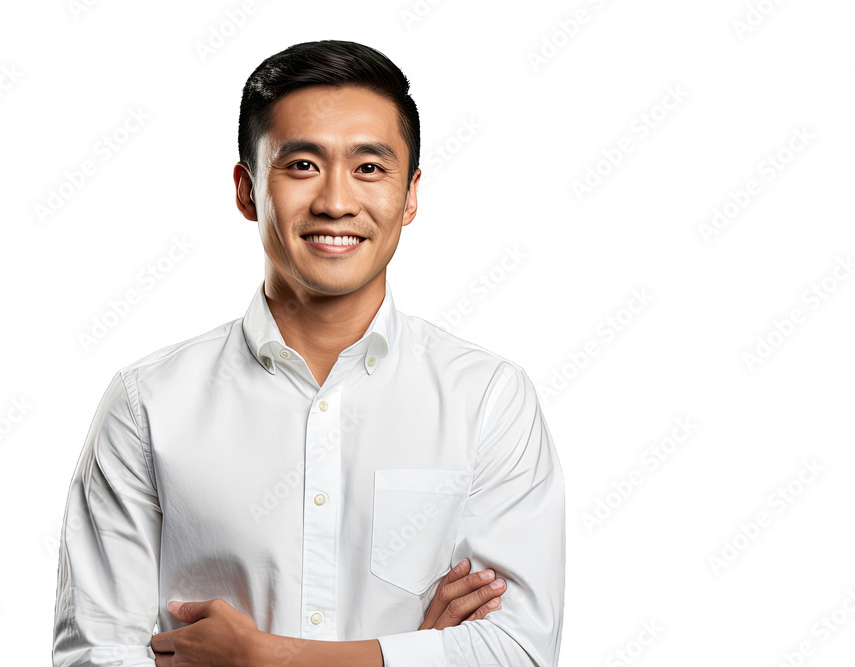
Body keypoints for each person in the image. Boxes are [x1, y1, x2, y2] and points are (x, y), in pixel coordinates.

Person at [52, 39, 565, 667]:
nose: (336, 201)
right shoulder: (147, 404)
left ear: (409, 195)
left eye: (370, 168)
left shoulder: (487, 398)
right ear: (246, 191)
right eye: (301, 165)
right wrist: (416, 653)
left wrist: (266, 658)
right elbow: (96, 655)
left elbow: (516, 652)